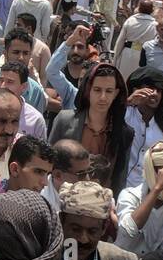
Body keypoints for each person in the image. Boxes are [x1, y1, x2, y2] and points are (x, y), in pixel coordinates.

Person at [51, 62, 135, 194]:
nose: (103, 97)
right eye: (97, 90)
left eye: (109, 91)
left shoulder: (124, 133)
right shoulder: (64, 120)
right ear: (87, 90)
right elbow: (49, 163)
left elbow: (119, 179)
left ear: (116, 93)